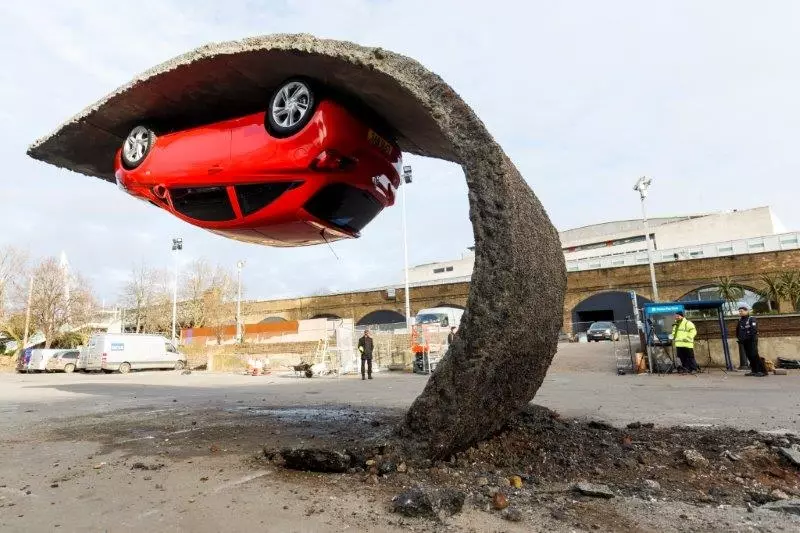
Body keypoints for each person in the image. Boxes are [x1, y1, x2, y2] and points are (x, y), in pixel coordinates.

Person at [737, 304, 766, 377]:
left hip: (752, 340)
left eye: (742, 311)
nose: (740, 312)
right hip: (744, 341)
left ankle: (762, 371)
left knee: (754, 355)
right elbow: (738, 330)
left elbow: (753, 330)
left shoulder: (752, 319)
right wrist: (739, 338)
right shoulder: (740, 320)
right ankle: (754, 370)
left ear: (747, 311)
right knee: (749, 356)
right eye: (739, 311)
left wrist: (748, 337)